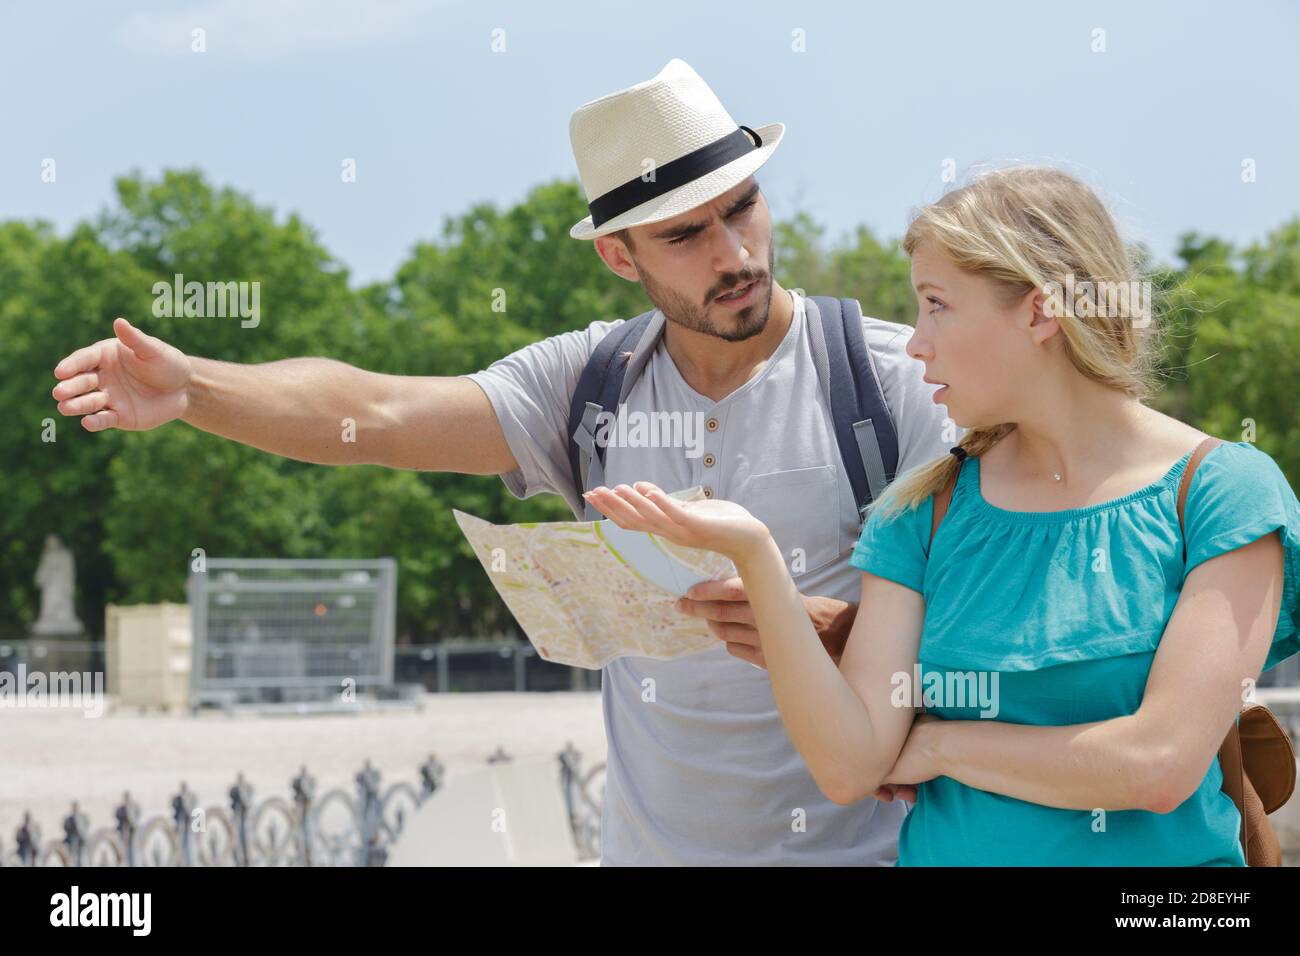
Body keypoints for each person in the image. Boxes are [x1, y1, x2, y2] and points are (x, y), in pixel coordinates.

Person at [49, 58, 953, 865]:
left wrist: (844, 637)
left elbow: (1009, 629)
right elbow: (375, 410)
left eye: (741, 208)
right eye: (685, 235)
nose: (733, 253)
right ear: (616, 254)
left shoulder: (896, 383)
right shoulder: (589, 384)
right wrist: (196, 390)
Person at [585, 164, 1300, 866]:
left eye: (937, 303)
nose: (917, 341)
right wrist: (758, 558)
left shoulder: (1222, 495)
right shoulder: (921, 508)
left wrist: (940, 745)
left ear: (1041, 309)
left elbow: (1159, 765)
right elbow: (852, 765)